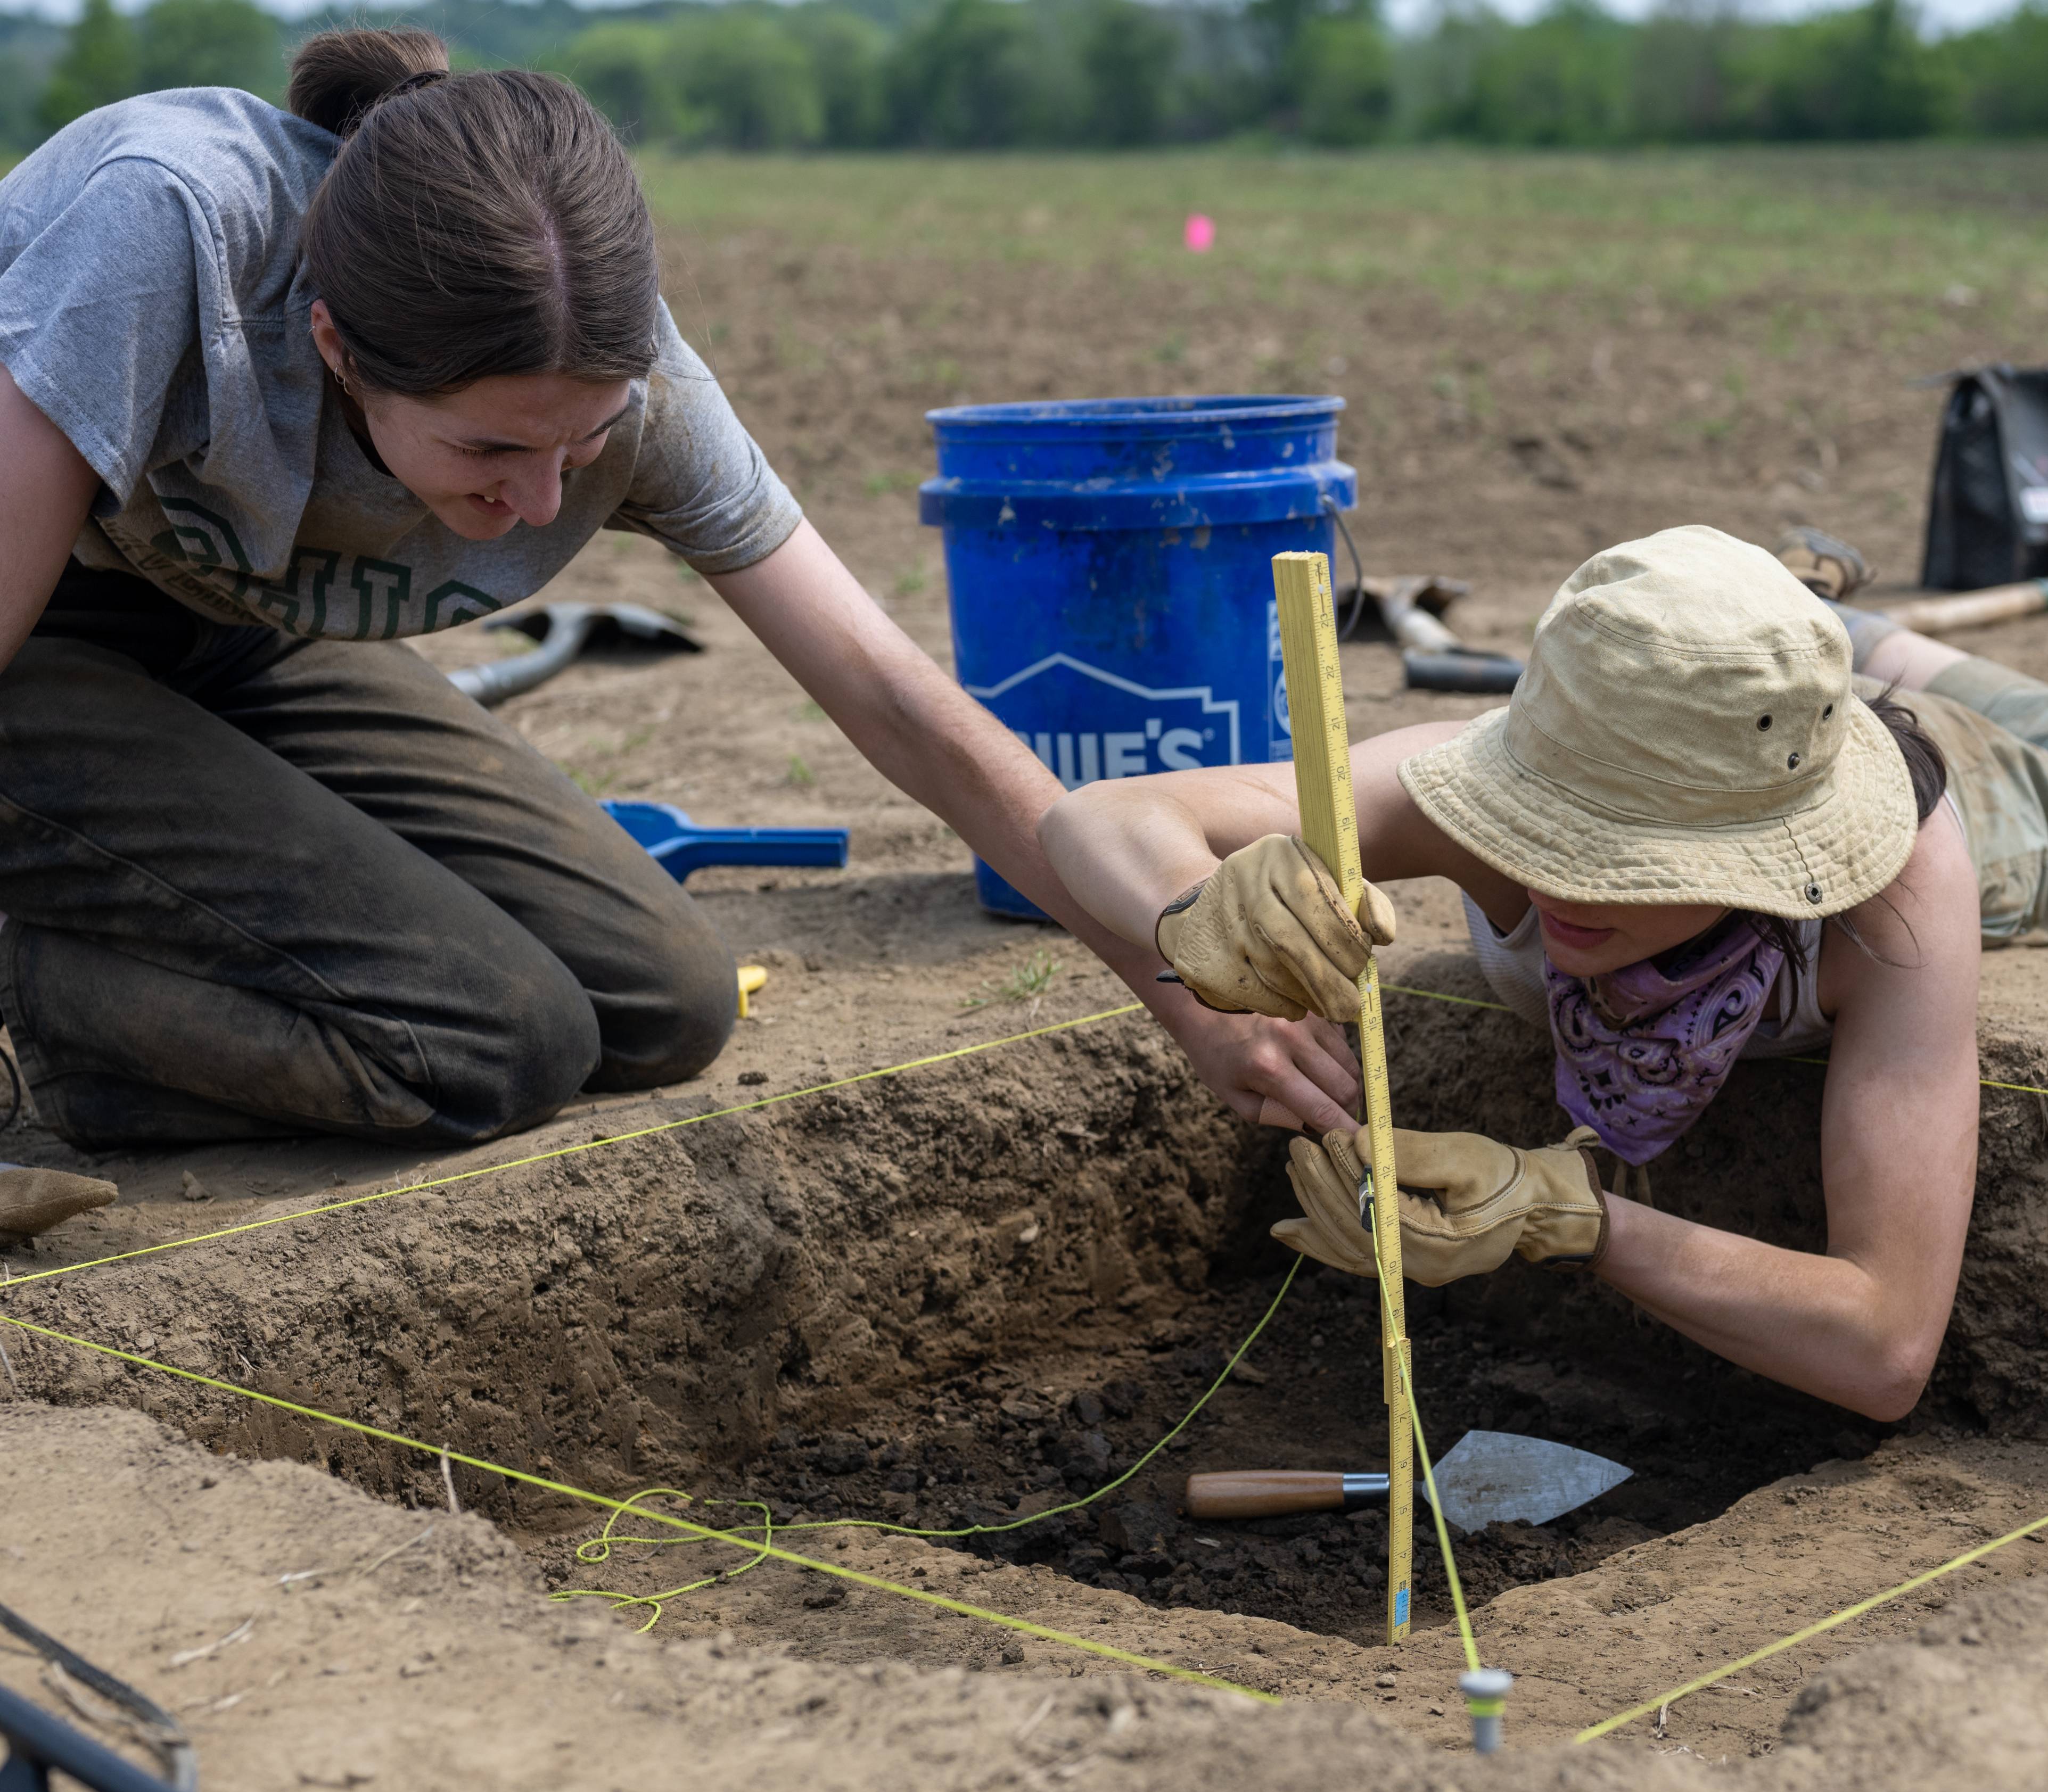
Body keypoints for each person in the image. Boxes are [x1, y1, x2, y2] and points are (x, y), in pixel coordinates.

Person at [0, 28, 1354, 1163]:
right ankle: (52, 1015)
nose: (542, 502)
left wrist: (1180, 985)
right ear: (337, 348)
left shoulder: (633, 383)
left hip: (235, 621)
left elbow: (890, 694)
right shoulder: (168, 224)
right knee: (493, 1036)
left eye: (580, 444)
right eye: (487, 449)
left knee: (661, 1001)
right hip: (34, 625)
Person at [1040, 526, 2048, 1419]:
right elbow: (1098, 818)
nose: (1562, 885)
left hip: (2000, 796)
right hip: (1754, 722)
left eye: (1626, 858)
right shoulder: (1463, 792)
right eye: (1545, 825)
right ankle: (1802, 622)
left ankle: (1863, 641)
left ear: (1765, 856)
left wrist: (1564, 1213)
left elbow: (1885, 1345)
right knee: (1740, 676)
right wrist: (1187, 910)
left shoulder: (1898, 899)